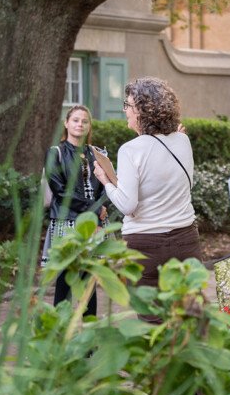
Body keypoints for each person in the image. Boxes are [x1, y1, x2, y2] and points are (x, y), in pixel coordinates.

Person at [93, 77, 201, 323]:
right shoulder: (182, 140)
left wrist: (106, 180)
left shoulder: (131, 150)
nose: (125, 111)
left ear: (142, 110)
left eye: (128, 105)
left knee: (152, 323)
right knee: (188, 321)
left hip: (146, 247)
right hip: (186, 240)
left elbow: (127, 205)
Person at [46, 105, 108, 317]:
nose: (80, 124)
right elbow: (60, 192)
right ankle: (59, 329)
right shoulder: (55, 153)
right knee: (66, 277)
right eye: (75, 120)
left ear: (89, 126)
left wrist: (100, 212)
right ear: (66, 123)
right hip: (67, 221)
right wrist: (94, 209)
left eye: (84, 121)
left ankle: (89, 330)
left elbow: (108, 185)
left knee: (88, 278)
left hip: (94, 224)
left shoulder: (98, 154)